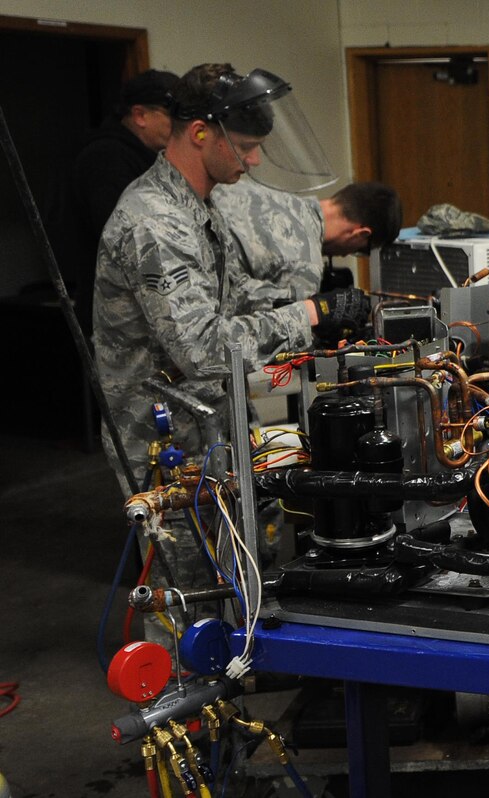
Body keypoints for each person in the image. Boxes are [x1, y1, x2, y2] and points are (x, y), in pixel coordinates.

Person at [92, 64, 369, 650]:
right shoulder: (153, 222)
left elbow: (227, 295)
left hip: (205, 421)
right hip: (159, 439)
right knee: (184, 592)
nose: (255, 162)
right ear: (200, 134)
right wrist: (309, 316)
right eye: (244, 147)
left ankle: (222, 696)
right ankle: (182, 718)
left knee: (223, 574)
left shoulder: (199, 206)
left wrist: (311, 310)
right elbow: (201, 347)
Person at [65, 69, 179, 336]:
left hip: (140, 312)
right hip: (118, 322)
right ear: (140, 115)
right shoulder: (107, 158)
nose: (179, 126)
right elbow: (126, 239)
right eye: (172, 116)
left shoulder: (149, 159)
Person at [212, 179, 402, 300]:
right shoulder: (305, 267)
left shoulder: (257, 189)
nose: (346, 254)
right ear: (360, 234)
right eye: (362, 250)